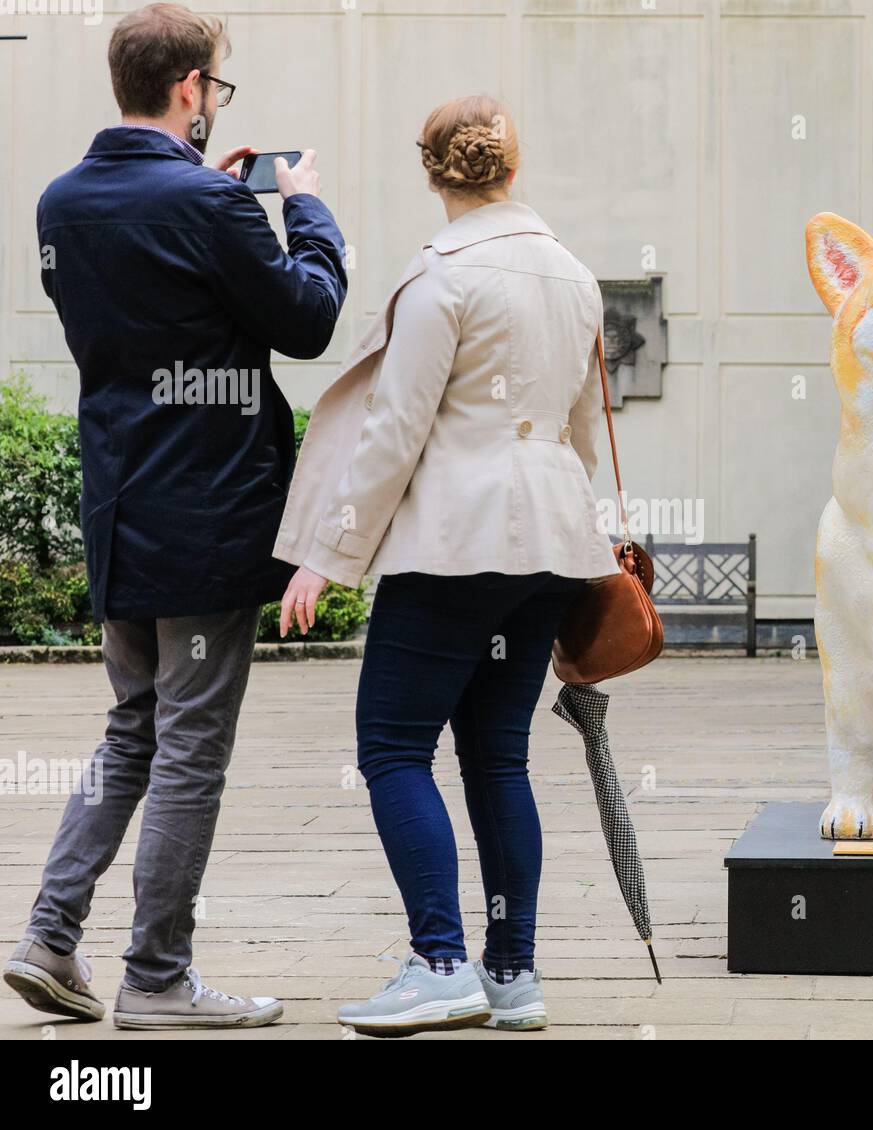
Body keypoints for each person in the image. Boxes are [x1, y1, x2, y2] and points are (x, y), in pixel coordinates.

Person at [2, 2, 348, 1030]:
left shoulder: (61, 203)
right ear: (191, 88)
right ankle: (155, 977)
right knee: (189, 743)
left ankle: (51, 936)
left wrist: (220, 205)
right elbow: (310, 319)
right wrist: (303, 209)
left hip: (118, 501)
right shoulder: (213, 203)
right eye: (214, 87)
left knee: (135, 726)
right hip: (204, 511)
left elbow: (146, 320)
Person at [273, 94, 617, 1036]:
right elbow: (586, 435)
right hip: (550, 543)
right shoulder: (575, 277)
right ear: (516, 165)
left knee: (391, 748)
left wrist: (326, 557)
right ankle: (513, 976)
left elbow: (394, 432)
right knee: (499, 761)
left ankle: (438, 962)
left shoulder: (442, 278)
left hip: (453, 547)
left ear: (432, 171)